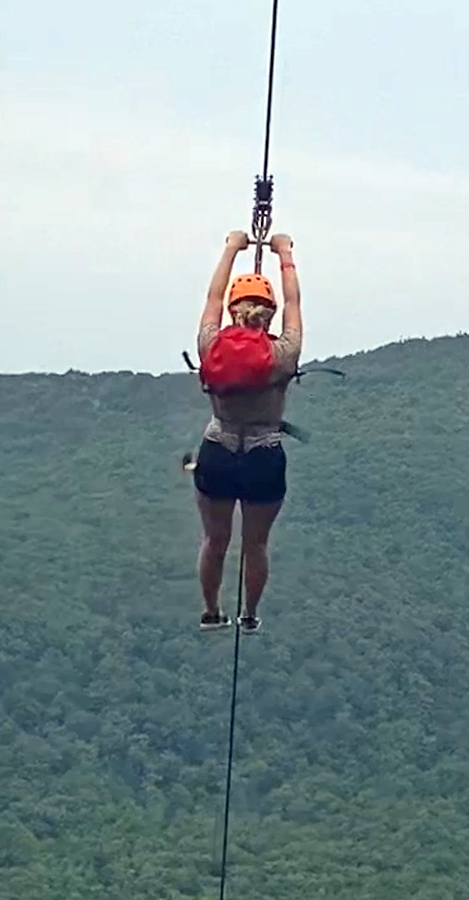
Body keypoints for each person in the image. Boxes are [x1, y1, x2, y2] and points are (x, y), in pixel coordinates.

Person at [192, 230, 302, 635]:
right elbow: (295, 302)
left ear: (234, 312)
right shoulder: (283, 353)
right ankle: (250, 615)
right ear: (269, 314)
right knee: (255, 545)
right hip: (263, 454)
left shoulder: (210, 345)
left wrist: (231, 248)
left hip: (218, 448)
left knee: (214, 539)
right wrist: (284, 254)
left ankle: (210, 611)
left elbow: (211, 300)